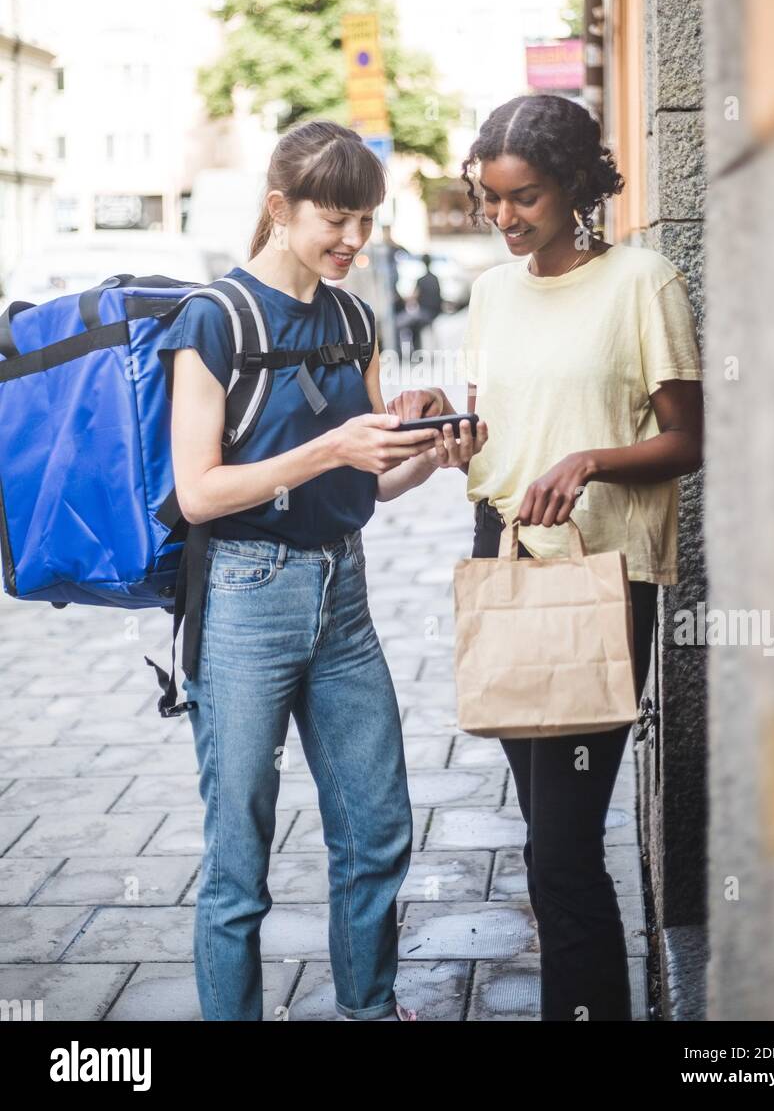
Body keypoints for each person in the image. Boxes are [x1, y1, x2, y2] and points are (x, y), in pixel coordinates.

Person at [157, 121, 487, 1022]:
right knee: (239, 859)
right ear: (279, 209)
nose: (353, 241)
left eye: (366, 223)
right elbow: (197, 493)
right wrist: (330, 446)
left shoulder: (353, 317)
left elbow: (371, 479)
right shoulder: (214, 320)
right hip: (244, 597)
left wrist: (435, 453)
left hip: (344, 595)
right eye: (335, 221)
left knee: (377, 827)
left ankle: (368, 1010)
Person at [387, 93, 703, 1022]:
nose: (503, 218)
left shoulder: (641, 282)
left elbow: (689, 438)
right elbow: (494, 438)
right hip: (506, 556)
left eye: (521, 197)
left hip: (600, 576)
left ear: (573, 184)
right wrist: (442, 425)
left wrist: (592, 458)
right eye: (489, 200)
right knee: (545, 834)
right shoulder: (490, 292)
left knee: (560, 851)